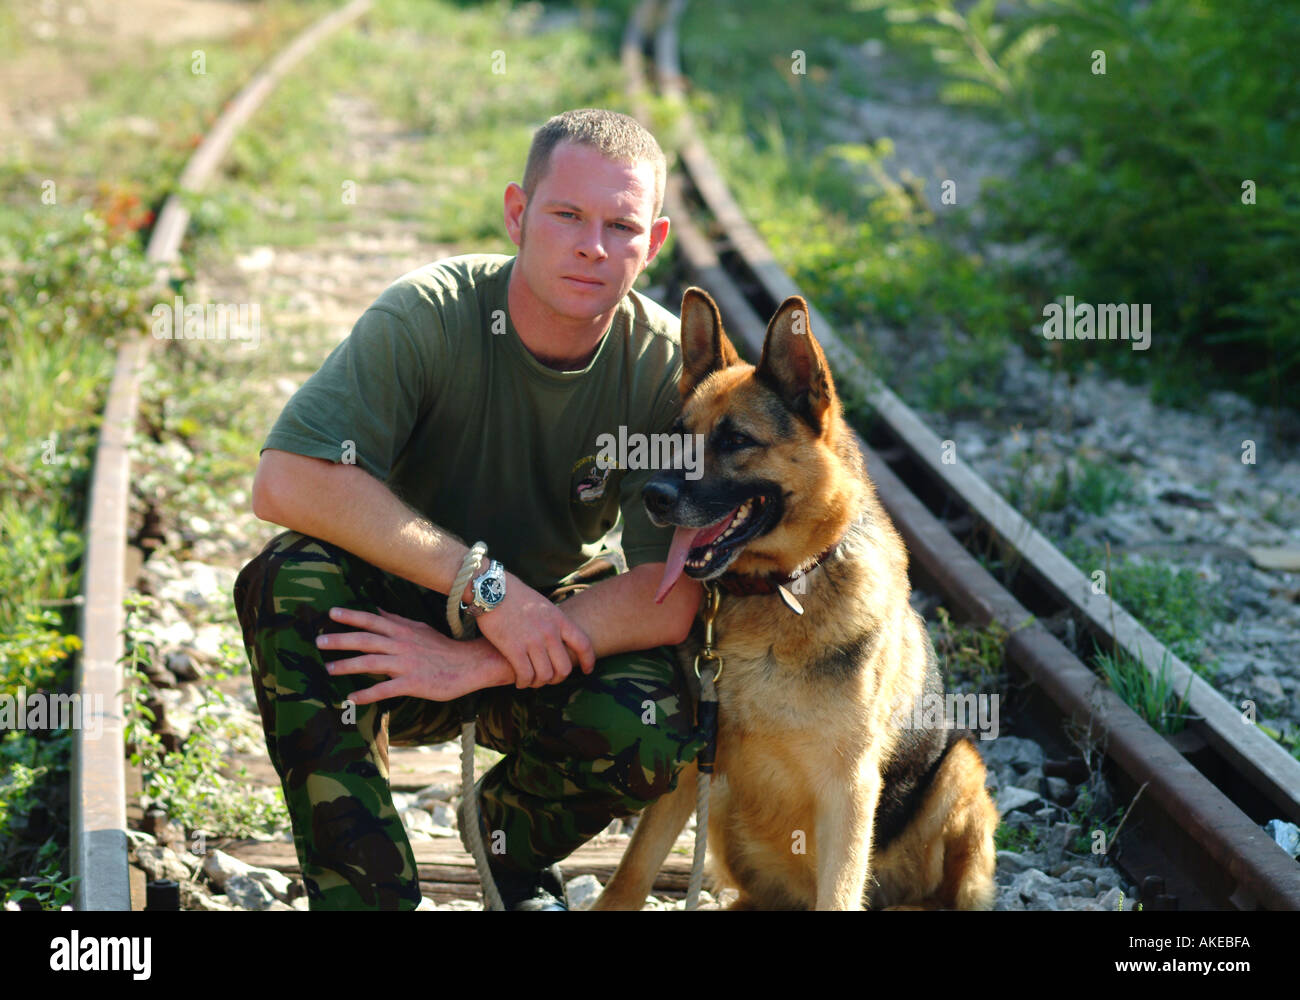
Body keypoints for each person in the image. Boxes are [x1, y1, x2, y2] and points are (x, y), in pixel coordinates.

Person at [232, 108, 705, 910]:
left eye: (620, 224)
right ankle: (365, 891)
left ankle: (506, 836)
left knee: (658, 706)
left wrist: (486, 654)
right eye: (567, 215)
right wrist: (485, 590)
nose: (593, 245)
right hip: (394, 624)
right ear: (519, 214)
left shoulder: (663, 369)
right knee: (289, 583)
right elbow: (285, 481)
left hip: (537, 646)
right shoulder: (429, 316)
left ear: (652, 243)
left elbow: (675, 588)